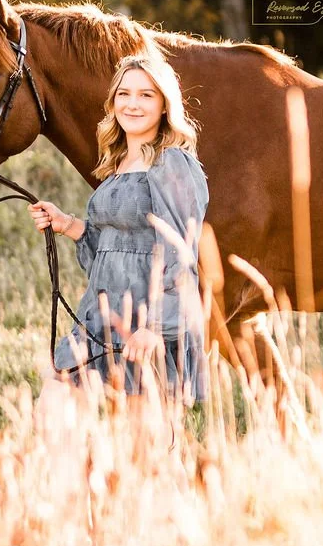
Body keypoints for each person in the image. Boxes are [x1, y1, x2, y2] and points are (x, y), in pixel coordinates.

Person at [29, 51, 210, 405]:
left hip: (146, 322)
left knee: (141, 450)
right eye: (124, 94)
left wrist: (155, 327)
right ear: (113, 103)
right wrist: (67, 224)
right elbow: (112, 247)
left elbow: (181, 251)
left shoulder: (171, 162)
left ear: (164, 105)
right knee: (53, 409)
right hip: (100, 315)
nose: (133, 104)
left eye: (146, 95)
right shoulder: (119, 162)